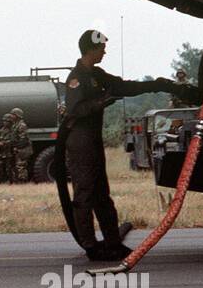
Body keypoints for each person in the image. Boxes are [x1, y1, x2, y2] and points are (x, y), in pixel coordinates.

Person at [55, 29, 186, 260]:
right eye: (101, 48)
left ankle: (113, 243)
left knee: (102, 194)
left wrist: (156, 84)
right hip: (80, 140)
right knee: (84, 194)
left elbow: (124, 87)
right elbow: (75, 110)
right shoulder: (76, 78)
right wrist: (102, 101)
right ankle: (91, 246)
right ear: (90, 49)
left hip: (92, 140)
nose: (104, 51)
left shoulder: (97, 75)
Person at [11, 108, 33, 183]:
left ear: (17, 116)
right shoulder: (15, 125)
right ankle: (20, 181)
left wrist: (17, 147)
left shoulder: (21, 125)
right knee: (18, 166)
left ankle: (23, 182)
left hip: (23, 149)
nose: (11, 116)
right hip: (19, 149)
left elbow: (24, 139)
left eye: (13, 114)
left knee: (21, 166)